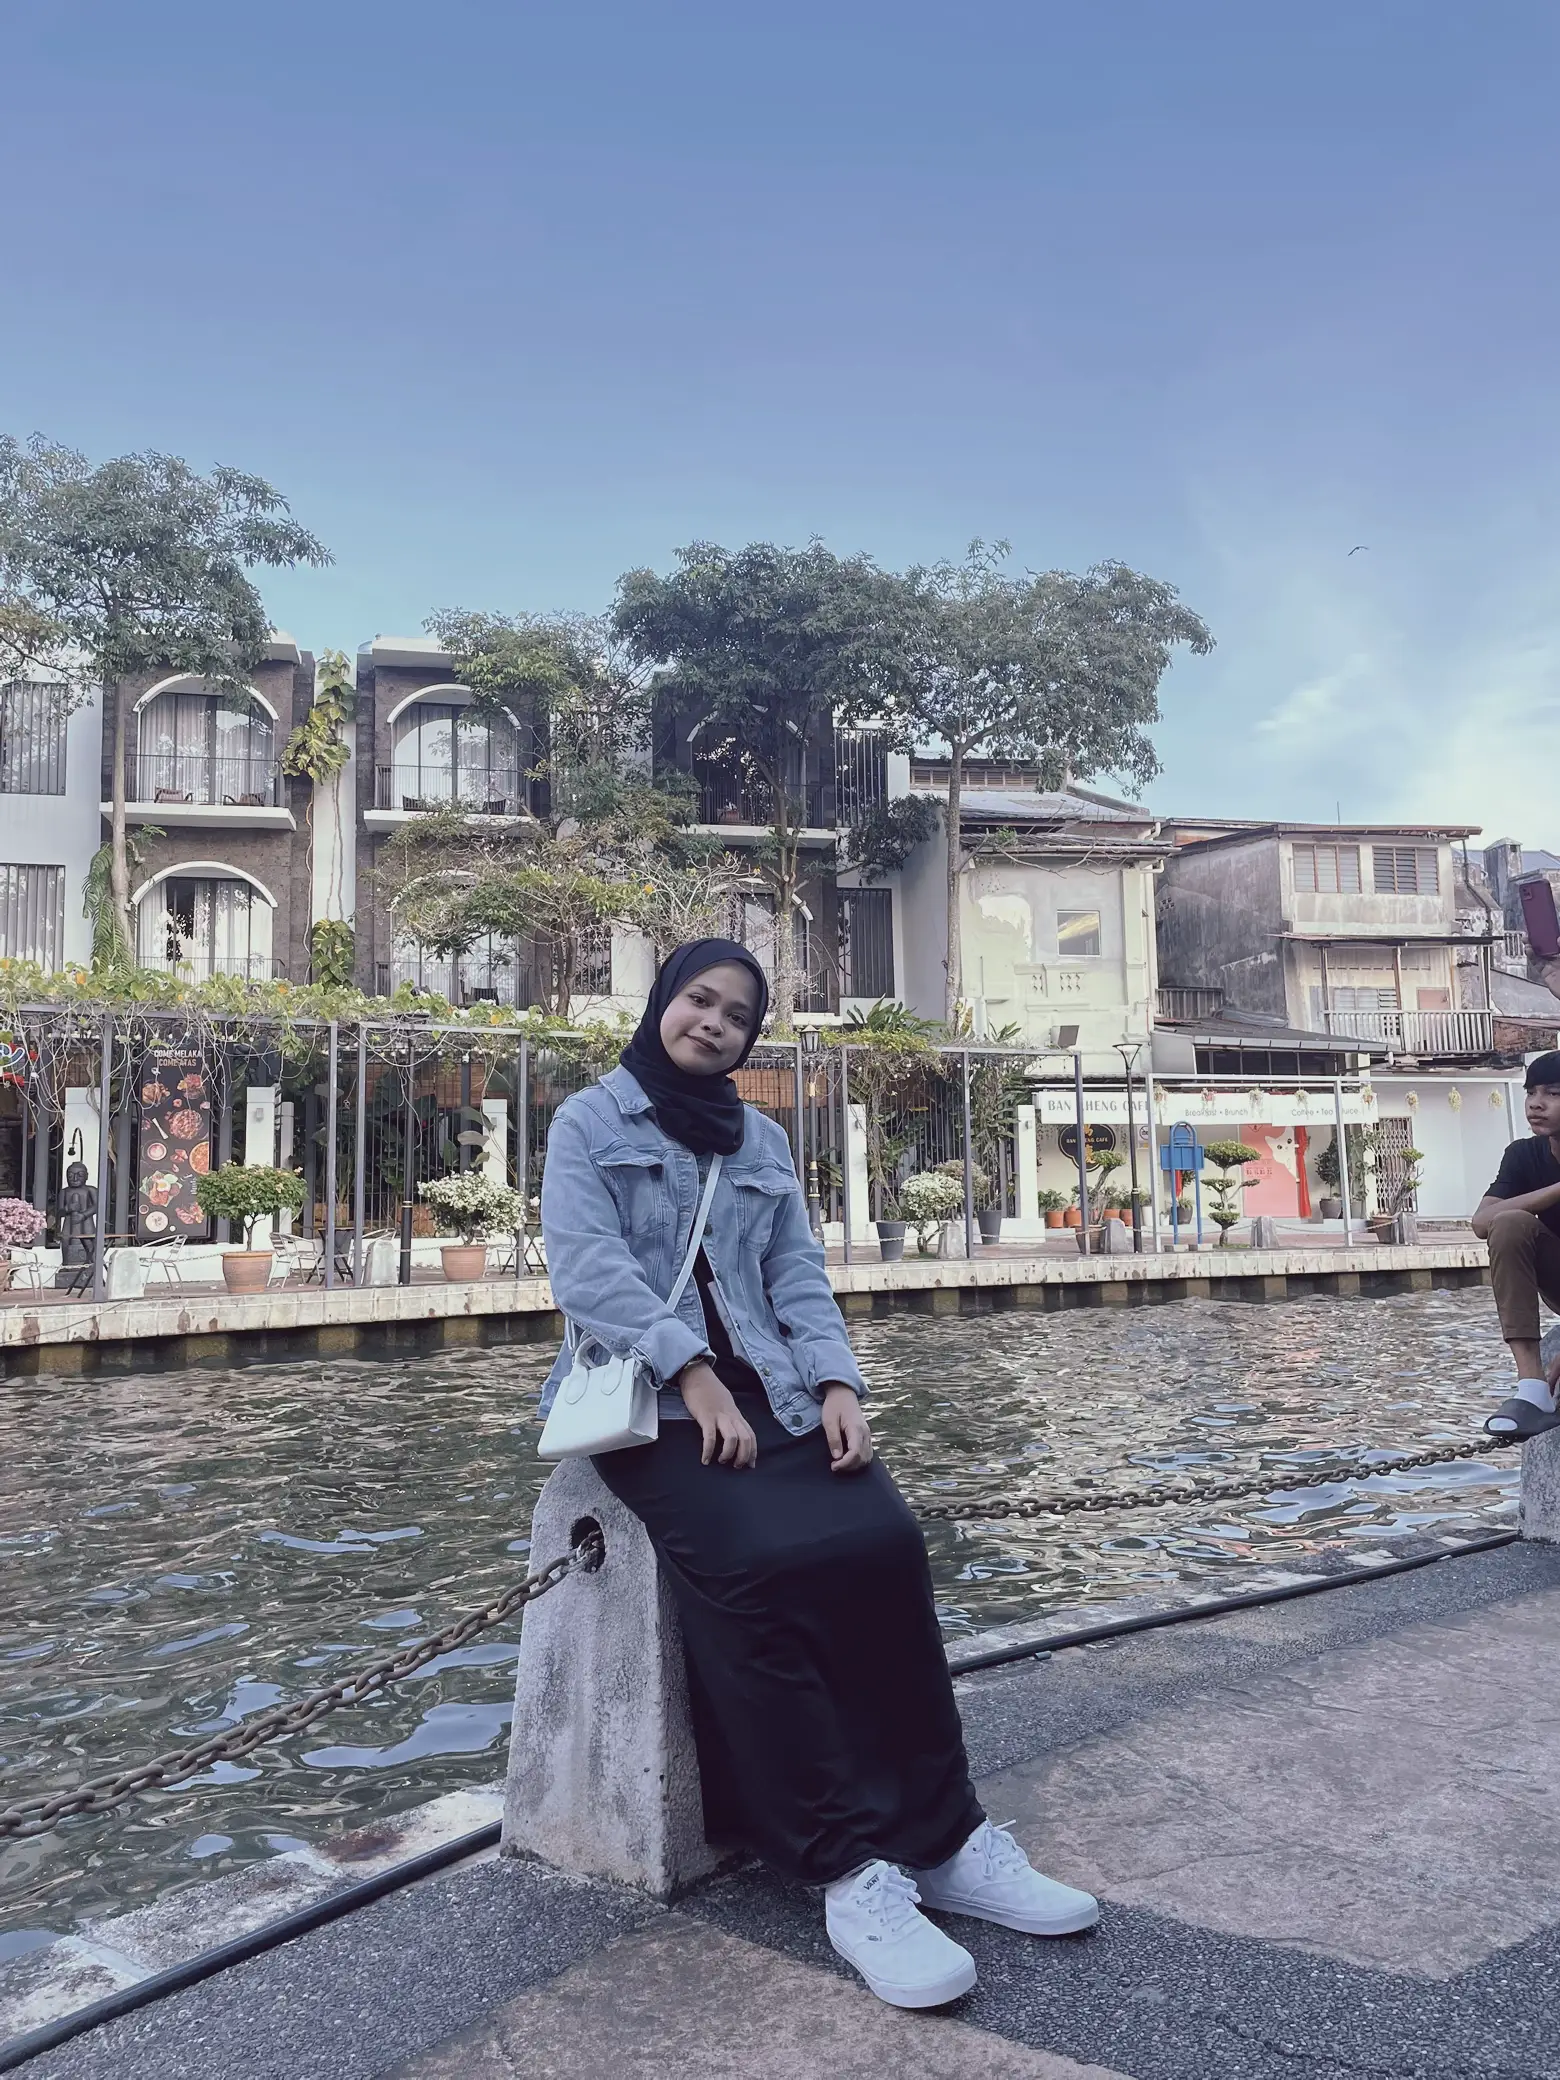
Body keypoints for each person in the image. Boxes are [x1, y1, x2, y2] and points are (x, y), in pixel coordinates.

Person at [539, 939, 1097, 2009]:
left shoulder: (759, 1139)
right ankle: (846, 1869)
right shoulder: (589, 1122)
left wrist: (839, 1383)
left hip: (778, 1392)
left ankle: (945, 1836)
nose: (712, 1023)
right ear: (663, 1002)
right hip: (653, 1402)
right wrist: (691, 1371)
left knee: (884, 1543)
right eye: (699, 999)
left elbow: (794, 1268)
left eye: (736, 1016)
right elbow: (589, 1269)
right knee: (754, 1567)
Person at [1473, 1051, 1560, 1437]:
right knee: (1509, 1223)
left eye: (1553, 1093)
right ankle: (1532, 1389)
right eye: (1531, 1092)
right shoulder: (1523, 1154)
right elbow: (1482, 1222)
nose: (1536, 1104)